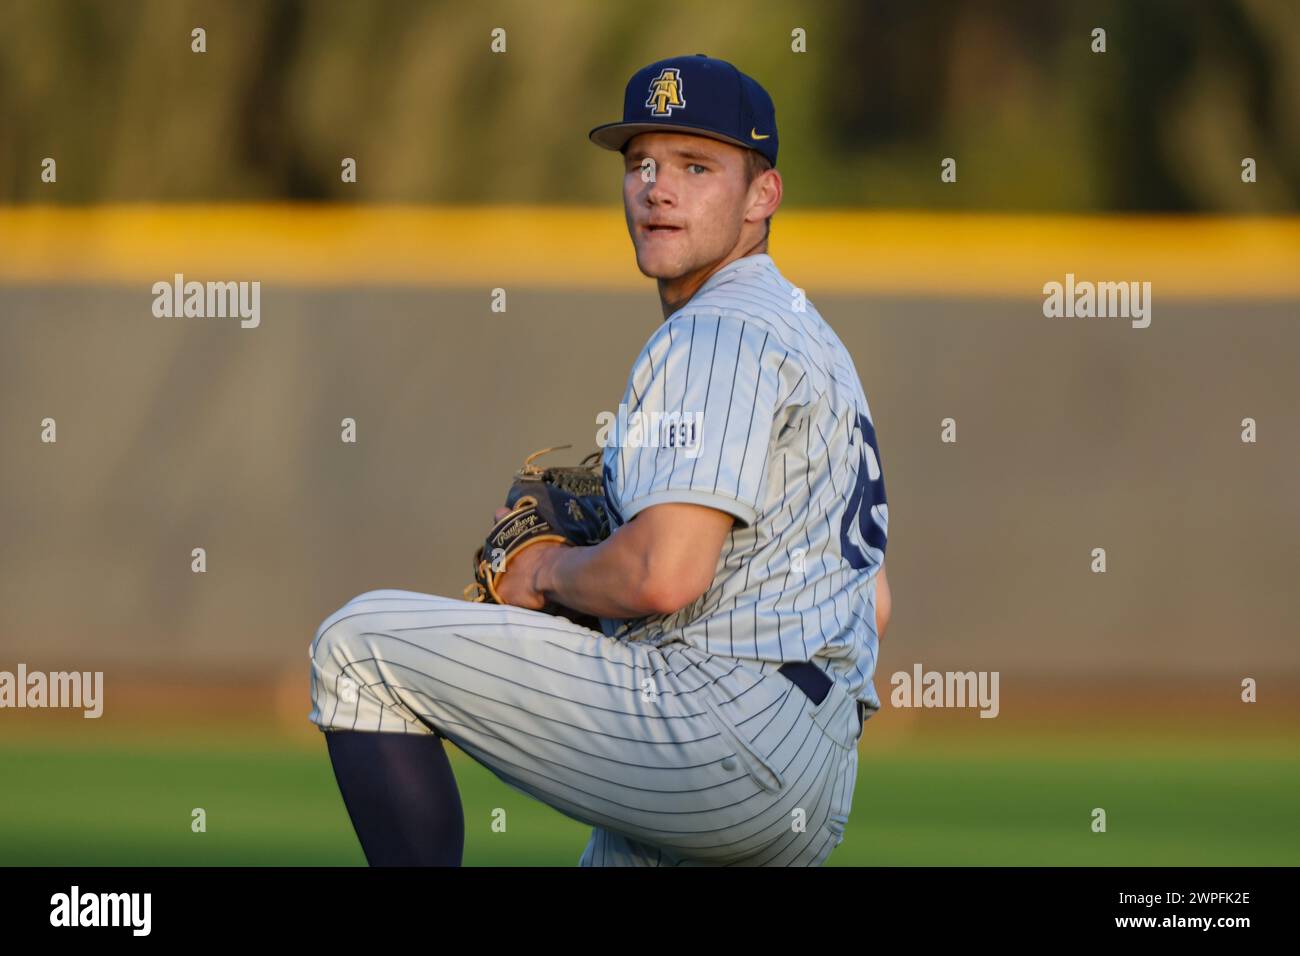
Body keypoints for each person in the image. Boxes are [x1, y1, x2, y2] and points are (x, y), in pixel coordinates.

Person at [309, 53, 890, 867]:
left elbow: (663, 575)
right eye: (641, 163)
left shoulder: (715, 331)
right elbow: (876, 601)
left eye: (696, 165)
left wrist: (547, 575)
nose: (659, 187)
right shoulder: (811, 339)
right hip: (813, 765)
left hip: (721, 732)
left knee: (358, 647)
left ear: (763, 195)